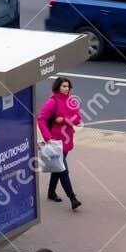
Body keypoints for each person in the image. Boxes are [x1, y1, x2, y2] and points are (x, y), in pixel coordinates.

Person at [37, 76, 83, 210]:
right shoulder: (52, 102)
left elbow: (78, 119)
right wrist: (47, 137)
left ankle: (51, 192)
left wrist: (63, 119)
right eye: (63, 86)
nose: (66, 89)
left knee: (57, 166)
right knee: (63, 169)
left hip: (67, 140)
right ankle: (73, 198)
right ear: (57, 87)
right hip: (55, 142)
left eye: (68, 86)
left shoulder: (71, 101)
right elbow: (41, 120)